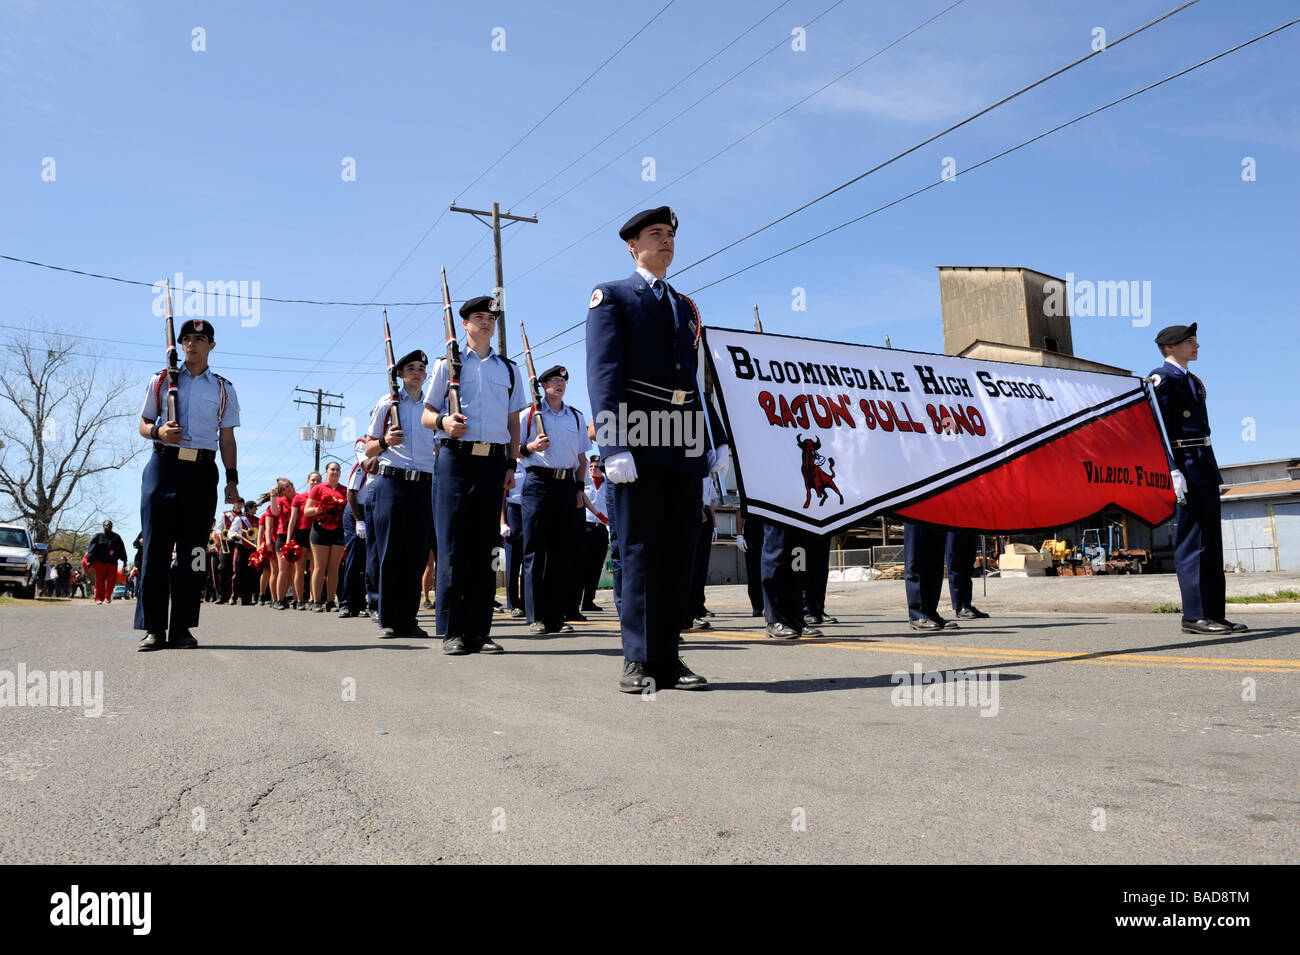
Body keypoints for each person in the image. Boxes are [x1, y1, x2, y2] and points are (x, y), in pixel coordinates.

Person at [585, 206, 730, 691]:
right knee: (640, 548)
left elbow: (693, 380)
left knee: (677, 549)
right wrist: (613, 445)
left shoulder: (684, 305)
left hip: (683, 435)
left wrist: (711, 444)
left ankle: (669, 656)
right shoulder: (613, 297)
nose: (665, 241)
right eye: (655, 234)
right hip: (638, 430)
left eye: (669, 234)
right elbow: (603, 375)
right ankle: (639, 659)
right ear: (633, 245)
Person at [423, 296, 524, 655]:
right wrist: (444, 422)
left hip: (493, 462)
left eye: (490, 318)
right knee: (452, 546)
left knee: (487, 548)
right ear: (464, 324)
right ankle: (453, 630)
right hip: (455, 459)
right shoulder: (447, 365)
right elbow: (427, 414)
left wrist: (511, 464)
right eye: (479, 317)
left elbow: (514, 422)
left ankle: (480, 630)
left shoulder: (508, 369)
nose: (486, 323)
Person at [135, 317, 240, 650]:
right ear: (179, 344)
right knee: (156, 549)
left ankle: (182, 626)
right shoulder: (162, 380)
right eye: (187, 339)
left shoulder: (223, 388)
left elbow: (227, 438)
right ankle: (153, 627)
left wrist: (231, 480)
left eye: (200, 338)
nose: (192, 344)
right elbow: (143, 423)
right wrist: (158, 431)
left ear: (211, 345)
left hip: (201, 471)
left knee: (194, 552)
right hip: (164, 465)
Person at [1147, 323, 1244, 634]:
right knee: (1193, 541)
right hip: (1184, 462)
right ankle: (1194, 615)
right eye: (1190, 341)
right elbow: (1157, 429)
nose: (1197, 345)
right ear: (1171, 348)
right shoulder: (1164, 379)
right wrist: (1171, 469)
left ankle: (1214, 613)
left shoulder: (1191, 380)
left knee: (1211, 543)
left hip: (1202, 462)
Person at [366, 349, 437, 639]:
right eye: (411, 368)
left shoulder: (435, 405)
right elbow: (368, 447)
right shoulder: (387, 403)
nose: (417, 373)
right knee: (391, 553)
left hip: (425, 484)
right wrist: (384, 440)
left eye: (421, 368)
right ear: (400, 374)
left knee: (417, 554)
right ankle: (388, 619)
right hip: (393, 482)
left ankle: (408, 618)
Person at [519, 364, 589, 635]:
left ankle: (556, 616)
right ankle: (536, 616)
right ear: (542, 385)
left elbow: (582, 458)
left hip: (566, 486)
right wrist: (531, 447)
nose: (559, 385)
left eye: (563, 381)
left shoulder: (575, 416)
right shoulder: (529, 415)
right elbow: (511, 448)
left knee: (562, 554)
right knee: (536, 552)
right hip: (538, 483)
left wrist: (579, 488)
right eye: (554, 381)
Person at [340, 443, 379, 619]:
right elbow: (351, 493)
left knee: (370, 560)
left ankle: (365, 603)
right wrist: (359, 521)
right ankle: (346, 604)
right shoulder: (361, 467)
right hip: (356, 511)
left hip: (372, 510)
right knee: (354, 558)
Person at [304, 461, 347, 611]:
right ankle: (316, 601)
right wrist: (321, 509)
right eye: (332, 469)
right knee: (319, 567)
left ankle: (330, 601)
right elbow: (307, 511)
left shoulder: (345, 490)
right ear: (326, 472)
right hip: (320, 531)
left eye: (337, 470)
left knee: (334, 567)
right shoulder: (318, 489)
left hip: (338, 531)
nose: (335, 472)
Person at [904, 523, 958, 631]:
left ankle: (930, 613)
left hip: (935, 510)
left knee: (935, 563)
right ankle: (917, 614)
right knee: (915, 560)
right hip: (913, 509)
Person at [284, 473, 320, 610]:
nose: (315, 482)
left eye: (318, 480)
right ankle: (299, 599)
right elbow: (293, 520)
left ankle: (313, 598)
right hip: (301, 534)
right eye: (313, 480)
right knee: (299, 569)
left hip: (317, 533)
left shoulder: (322, 497)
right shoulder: (299, 498)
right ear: (307, 482)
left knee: (315, 568)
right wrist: (288, 539)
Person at [580, 454, 610, 612]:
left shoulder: (608, 484)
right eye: (591, 466)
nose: (593, 469)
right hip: (586, 527)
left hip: (602, 529)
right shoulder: (585, 482)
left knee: (596, 566)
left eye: (596, 467)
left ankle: (588, 601)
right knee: (582, 565)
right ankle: (576, 600)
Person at [501, 458, 526, 618]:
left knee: (528, 561)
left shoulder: (534, 463)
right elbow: (502, 495)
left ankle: (526, 601)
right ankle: (513, 603)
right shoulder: (510, 465)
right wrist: (502, 522)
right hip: (513, 511)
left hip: (530, 510)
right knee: (513, 561)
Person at [945, 531, 988, 619]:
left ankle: (967, 604)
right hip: (954, 522)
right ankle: (960, 606)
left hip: (970, 523)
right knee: (956, 564)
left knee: (968, 565)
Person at [86, 520, 127, 604]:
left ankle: (107, 596)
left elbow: (122, 548)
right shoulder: (98, 536)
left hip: (112, 562)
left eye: (110, 525)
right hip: (100, 562)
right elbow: (91, 548)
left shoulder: (116, 537)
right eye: (106, 525)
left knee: (111, 581)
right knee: (99, 581)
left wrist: (124, 560)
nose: (108, 526)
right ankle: (98, 598)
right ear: (103, 526)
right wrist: (89, 560)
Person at [736, 508, 764, 616]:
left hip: (769, 524)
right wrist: (739, 535)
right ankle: (757, 606)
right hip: (753, 525)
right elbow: (739, 509)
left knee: (773, 569)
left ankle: (771, 605)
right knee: (753, 570)